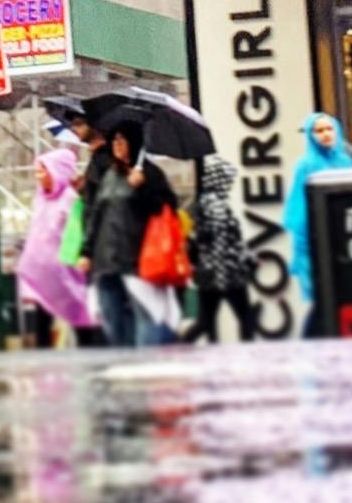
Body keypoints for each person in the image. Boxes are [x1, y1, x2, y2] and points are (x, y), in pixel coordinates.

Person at [83, 118, 178, 347]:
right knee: (112, 321)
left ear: (134, 143)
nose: (117, 144)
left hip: (138, 259)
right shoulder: (110, 175)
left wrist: (144, 188)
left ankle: (145, 369)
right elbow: (96, 214)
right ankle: (124, 368)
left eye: (122, 140)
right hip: (106, 260)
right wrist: (86, 251)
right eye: (114, 139)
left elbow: (167, 210)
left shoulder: (150, 174)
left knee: (146, 317)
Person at [283, 112, 352, 333]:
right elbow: (300, 210)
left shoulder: (346, 161)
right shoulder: (306, 166)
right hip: (317, 242)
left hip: (345, 241)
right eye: (318, 131)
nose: (326, 135)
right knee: (323, 298)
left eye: (329, 129)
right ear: (311, 136)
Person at [15, 145, 93, 344]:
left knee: (77, 314)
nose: (39, 176)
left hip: (65, 270)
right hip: (41, 273)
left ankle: (91, 356)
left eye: (43, 170)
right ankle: (43, 363)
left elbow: (75, 234)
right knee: (42, 321)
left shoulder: (71, 199)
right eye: (37, 171)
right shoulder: (40, 198)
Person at [187, 154, 260, 343]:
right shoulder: (216, 205)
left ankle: (184, 349)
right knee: (245, 319)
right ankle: (250, 357)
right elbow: (221, 242)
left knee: (207, 322)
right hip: (227, 273)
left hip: (208, 273)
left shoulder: (202, 203)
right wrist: (222, 279)